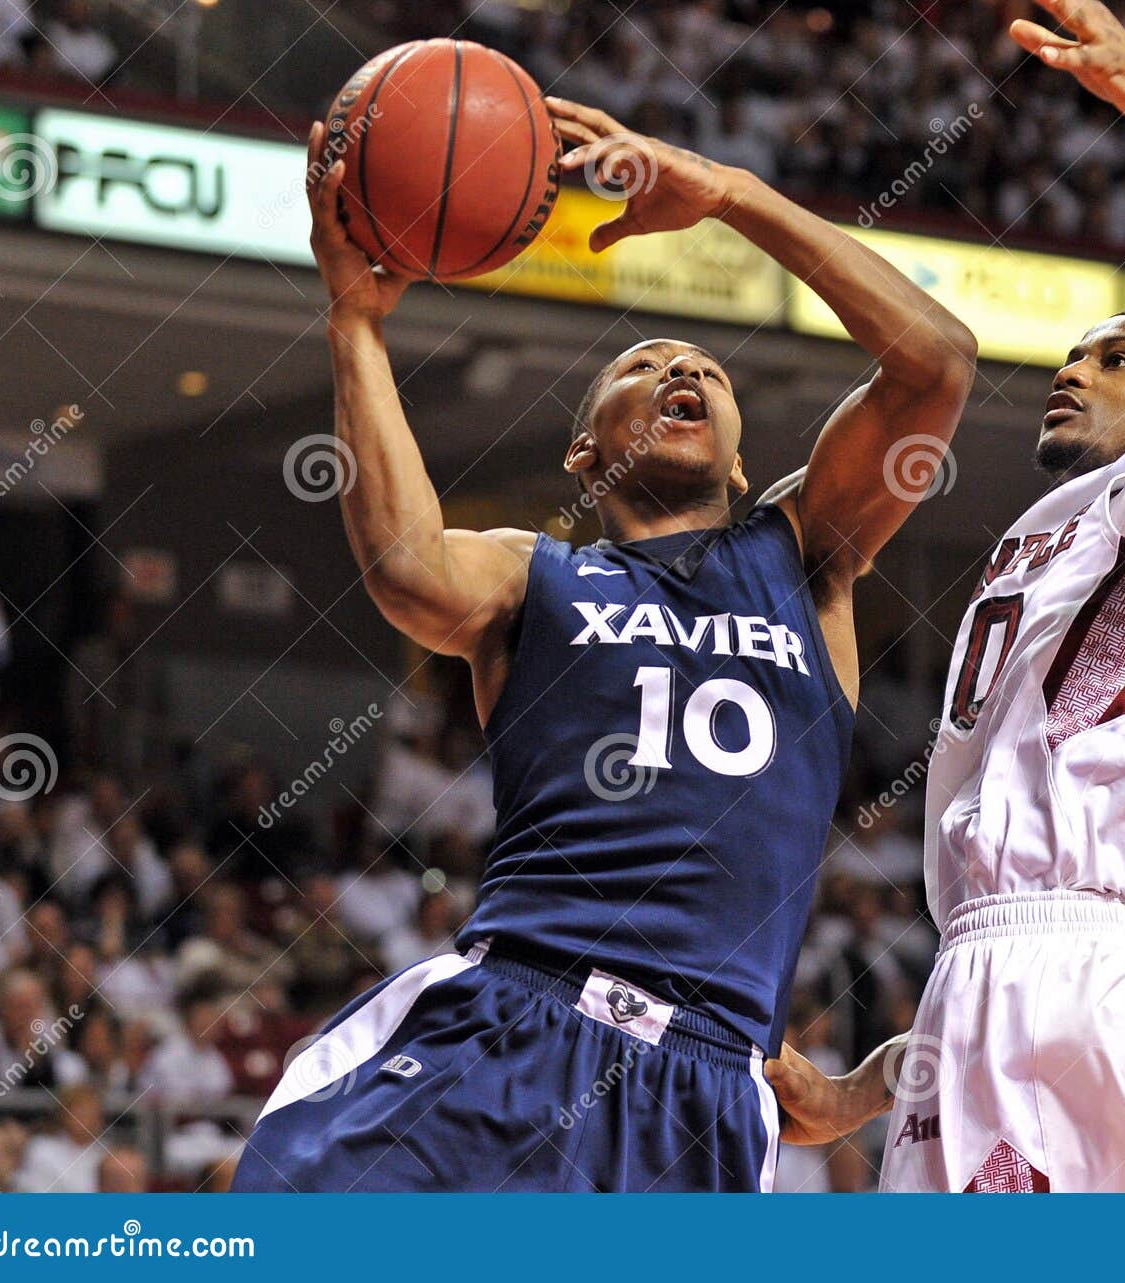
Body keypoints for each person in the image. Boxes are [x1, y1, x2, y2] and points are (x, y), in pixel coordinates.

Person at [233, 98, 975, 1192]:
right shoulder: (535, 574)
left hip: (707, 1088)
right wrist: (355, 320)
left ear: (739, 463)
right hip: (509, 1026)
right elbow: (406, 566)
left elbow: (937, 364)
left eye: (709, 372)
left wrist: (731, 194)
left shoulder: (805, 556)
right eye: (645, 366)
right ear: (585, 452)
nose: (685, 372)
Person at [766, 0, 1125, 1193]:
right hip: (994, 977)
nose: (1074, 368)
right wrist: (863, 1089)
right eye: (1072, 353)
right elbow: (1005, 915)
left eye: (1116, 357)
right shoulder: (1049, 533)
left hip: (1075, 969)